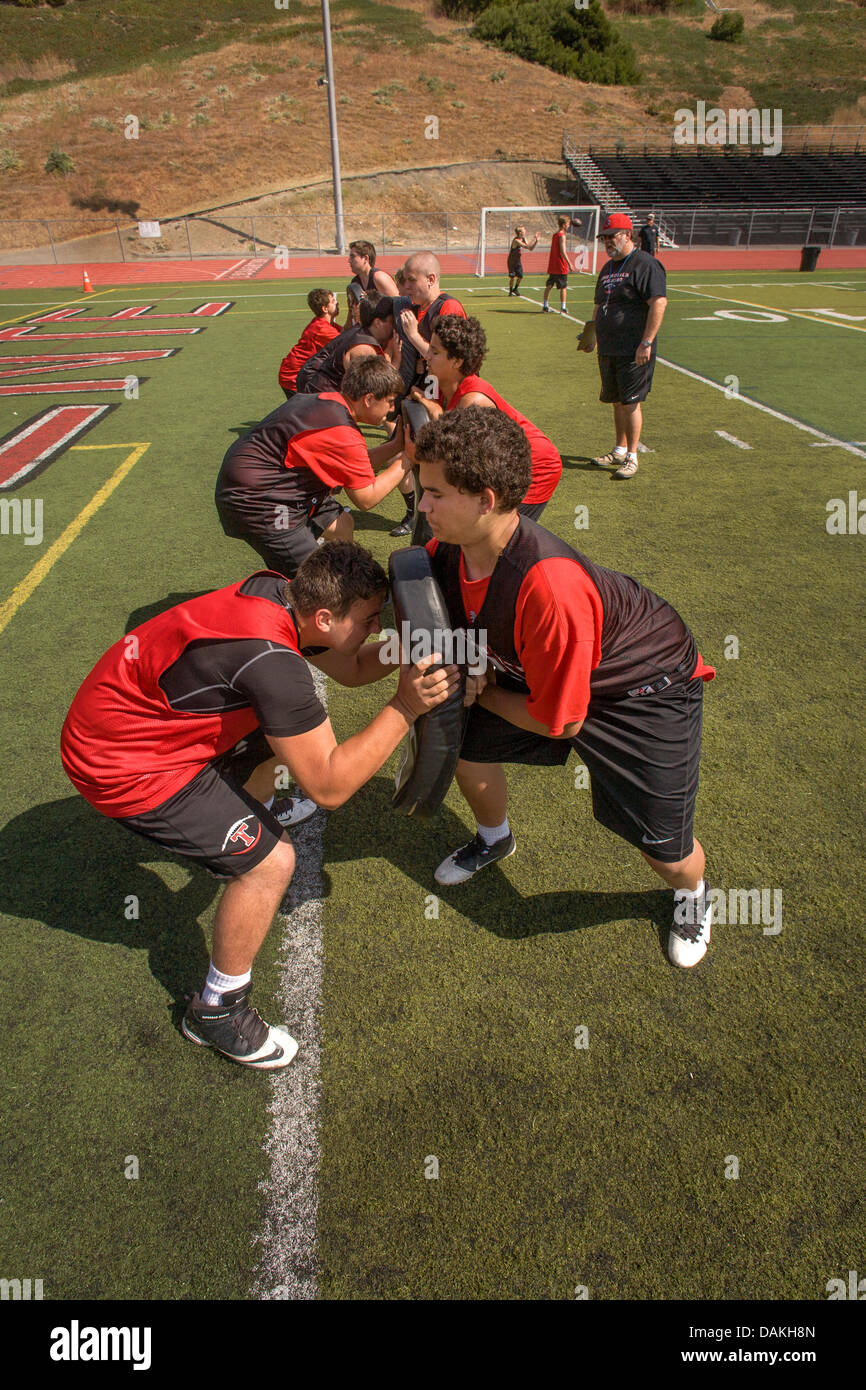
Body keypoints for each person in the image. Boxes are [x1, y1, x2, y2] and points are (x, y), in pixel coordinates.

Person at [60, 542, 460, 1069]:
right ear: (324, 616)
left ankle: (242, 807)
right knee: (270, 862)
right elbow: (330, 786)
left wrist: (415, 650)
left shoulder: (280, 595)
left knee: (274, 737)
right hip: (122, 764)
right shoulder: (272, 662)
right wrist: (407, 704)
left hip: (131, 718)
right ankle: (216, 1011)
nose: (376, 629)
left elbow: (355, 666)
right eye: (368, 619)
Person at [412, 407, 717, 969]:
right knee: (460, 737)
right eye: (420, 487)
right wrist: (465, 663)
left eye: (434, 493)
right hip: (556, 671)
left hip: (643, 688)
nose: (421, 504)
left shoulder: (549, 588)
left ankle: (693, 894)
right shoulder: (446, 550)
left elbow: (563, 722)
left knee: (665, 850)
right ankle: (494, 836)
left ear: (485, 499)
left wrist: (479, 689)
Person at [215, 356, 410, 578]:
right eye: (390, 401)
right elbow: (366, 498)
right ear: (368, 399)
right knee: (313, 579)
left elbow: (356, 465)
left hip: (275, 486)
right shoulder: (341, 431)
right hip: (257, 500)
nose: (392, 409)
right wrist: (408, 459)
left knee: (342, 525)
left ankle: (350, 582)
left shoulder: (329, 401)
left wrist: (396, 445)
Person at [408, 314, 562, 521]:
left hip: (535, 467)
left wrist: (434, 411)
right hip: (500, 462)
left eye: (435, 352)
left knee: (501, 532)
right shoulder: (443, 384)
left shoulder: (474, 400)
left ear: (456, 361)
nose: (427, 356)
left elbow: (455, 455)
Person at [577, 212, 667, 480]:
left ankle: (632, 457)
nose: (607, 242)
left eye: (612, 236)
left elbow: (658, 303)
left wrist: (646, 342)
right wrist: (591, 336)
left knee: (630, 403)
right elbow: (598, 305)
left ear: (628, 235)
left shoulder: (646, 264)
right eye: (604, 238)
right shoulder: (608, 268)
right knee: (616, 401)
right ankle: (619, 449)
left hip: (633, 348)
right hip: (609, 347)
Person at [390, 251, 466, 537]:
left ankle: (435, 530)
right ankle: (419, 519)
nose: (405, 287)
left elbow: (451, 361)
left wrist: (413, 336)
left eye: (411, 280)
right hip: (425, 399)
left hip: (447, 403)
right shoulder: (419, 308)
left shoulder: (449, 308)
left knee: (440, 469)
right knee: (414, 461)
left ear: (431, 279)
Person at [296, 295, 395, 395]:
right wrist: (393, 356)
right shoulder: (364, 348)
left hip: (314, 383)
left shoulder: (361, 331)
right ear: (377, 322)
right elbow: (370, 393)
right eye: (392, 322)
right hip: (321, 395)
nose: (394, 327)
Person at [278, 288, 341, 399]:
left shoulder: (325, 324)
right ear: (325, 309)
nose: (337, 302)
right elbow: (347, 340)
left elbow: (346, 332)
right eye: (333, 301)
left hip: (298, 374)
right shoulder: (322, 329)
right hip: (292, 376)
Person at [346, 240, 400, 317]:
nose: (349, 260)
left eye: (353, 256)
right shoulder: (355, 282)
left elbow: (399, 306)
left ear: (365, 258)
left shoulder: (379, 278)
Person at [541, 215, 576, 315]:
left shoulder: (555, 235)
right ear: (564, 225)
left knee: (549, 286)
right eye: (568, 224)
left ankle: (545, 305)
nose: (569, 226)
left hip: (553, 265)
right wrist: (569, 263)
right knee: (563, 287)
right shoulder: (561, 236)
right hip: (560, 265)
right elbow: (563, 251)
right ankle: (563, 307)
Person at [507, 225, 538, 297]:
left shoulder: (523, 238)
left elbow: (530, 248)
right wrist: (533, 238)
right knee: (512, 277)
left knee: (520, 276)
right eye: (524, 230)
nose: (525, 231)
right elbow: (526, 246)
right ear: (520, 232)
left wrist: (536, 241)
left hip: (518, 261)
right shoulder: (516, 240)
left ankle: (515, 289)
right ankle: (511, 291)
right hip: (512, 261)